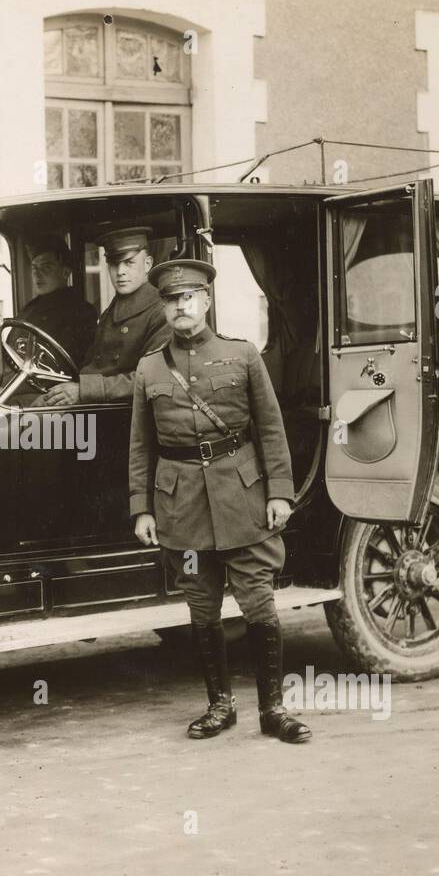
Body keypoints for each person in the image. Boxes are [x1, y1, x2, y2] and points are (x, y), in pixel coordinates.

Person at [128, 258, 311, 743]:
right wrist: (141, 507)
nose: (180, 306)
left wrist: (280, 494)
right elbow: (141, 446)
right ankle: (220, 706)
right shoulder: (148, 370)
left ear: (206, 300)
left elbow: (270, 429)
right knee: (201, 606)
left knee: (258, 602)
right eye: (171, 299)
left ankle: (273, 710)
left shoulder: (242, 356)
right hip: (180, 504)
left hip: (243, 497)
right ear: (164, 308)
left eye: (188, 297)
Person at [39, 226, 168, 406]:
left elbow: (150, 378)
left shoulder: (160, 311)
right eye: (114, 264)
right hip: (98, 405)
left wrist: (83, 390)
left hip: (126, 415)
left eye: (129, 263)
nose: (120, 271)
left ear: (147, 264)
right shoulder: (112, 309)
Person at [15, 238, 96, 367]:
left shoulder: (81, 312)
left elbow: (65, 366)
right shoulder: (29, 309)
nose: (37, 274)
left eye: (46, 267)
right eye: (34, 267)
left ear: (65, 272)